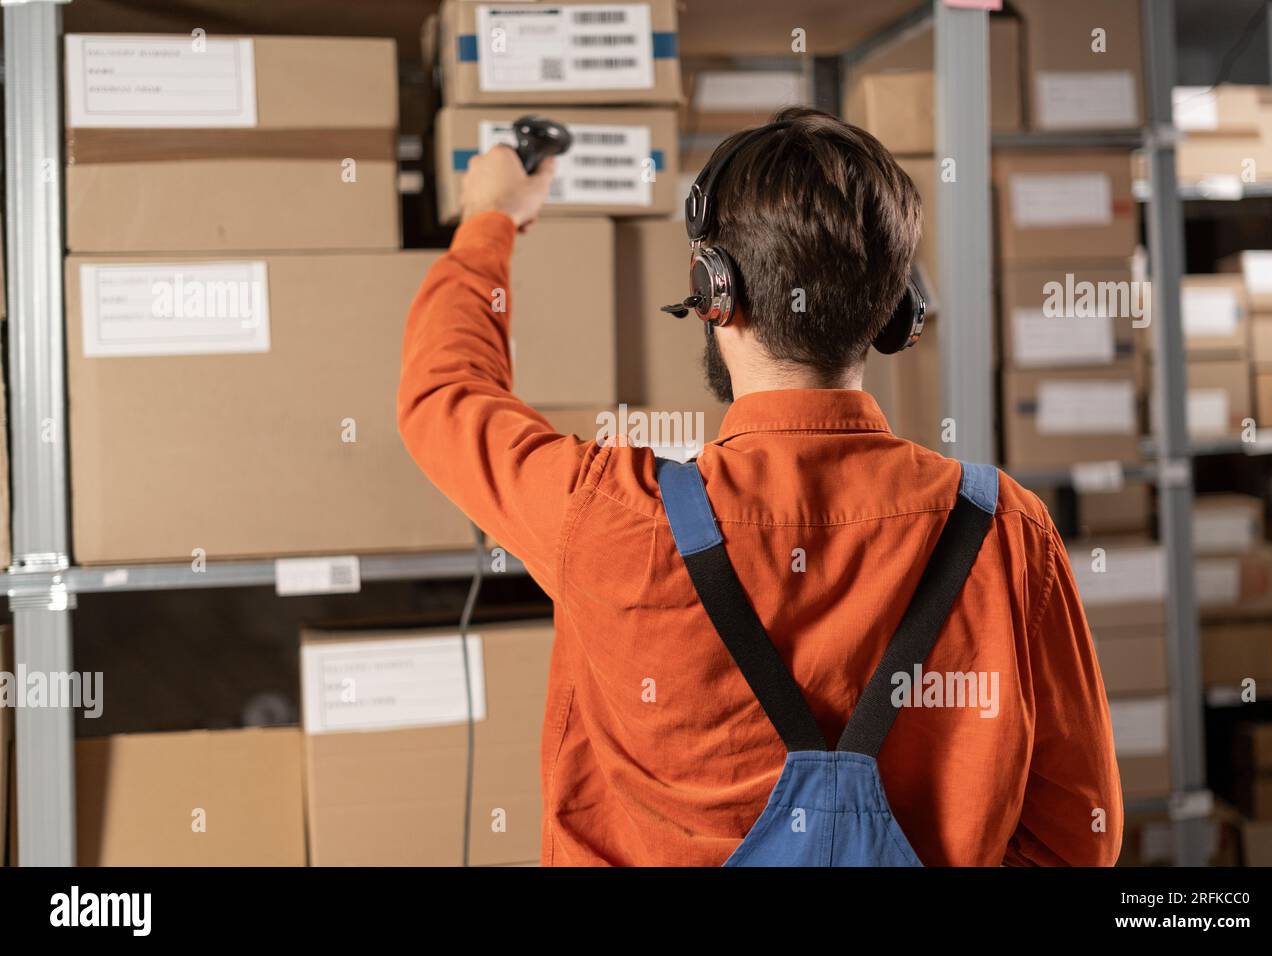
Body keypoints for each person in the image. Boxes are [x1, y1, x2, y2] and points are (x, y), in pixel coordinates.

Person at [398, 107, 1123, 866]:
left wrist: (491, 218)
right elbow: (1079, 837)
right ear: (895, 311)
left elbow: (443, 395)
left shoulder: (614, 515)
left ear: (714, 291)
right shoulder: (1004, 529)